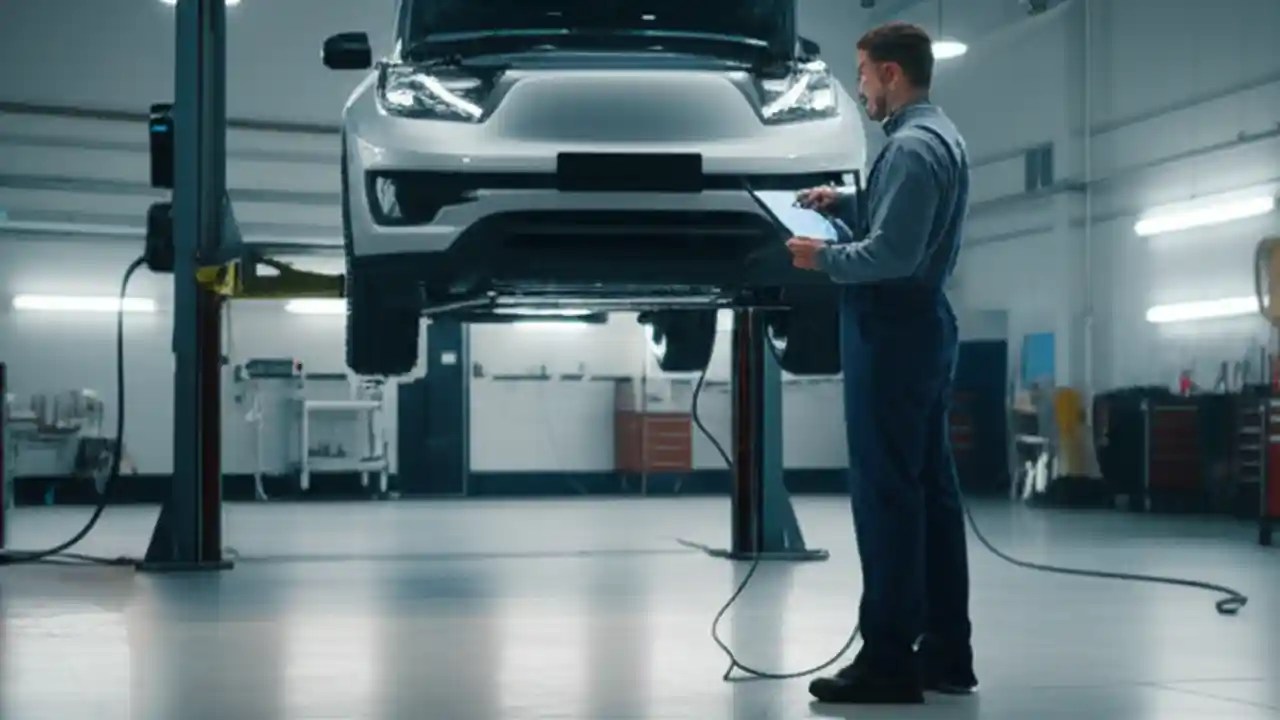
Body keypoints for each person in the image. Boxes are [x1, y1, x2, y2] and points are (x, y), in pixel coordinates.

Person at [785, 21, 977, 705]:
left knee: (886, 497)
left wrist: (820, 257)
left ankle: (888, 660)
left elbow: (892, 255)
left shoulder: (909, 149)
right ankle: (948, 652)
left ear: (892, 73)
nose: (860, 86)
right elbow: (905, 220)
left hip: (892, 330)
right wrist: (849, 203)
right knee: (930, 493)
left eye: (863, 73)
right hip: (922, 328)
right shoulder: (940, 136)